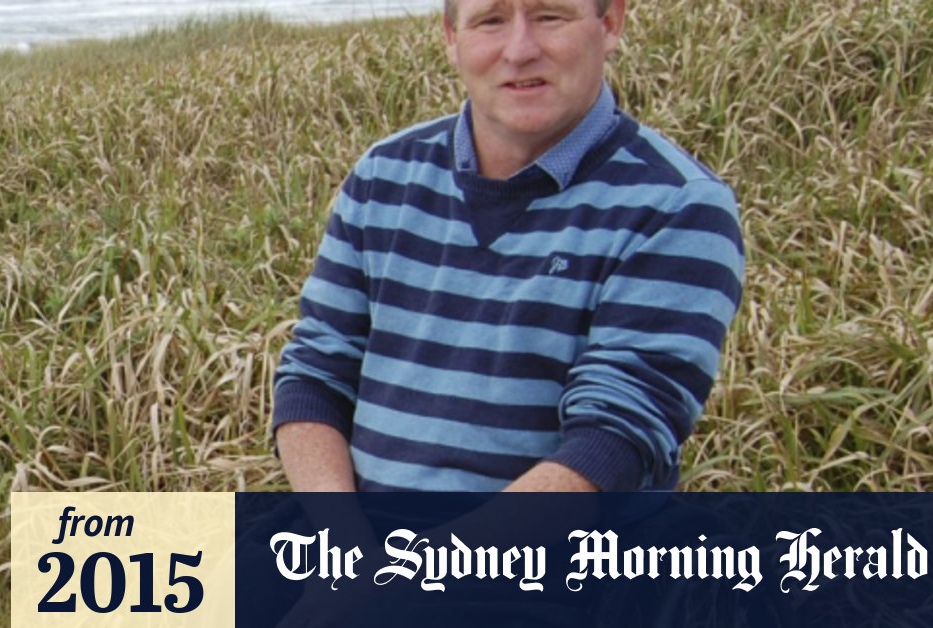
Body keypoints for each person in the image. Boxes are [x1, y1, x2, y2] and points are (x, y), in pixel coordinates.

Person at [271, 0, 744, 493]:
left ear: (610, 24)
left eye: (550, 16)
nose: (519, 50)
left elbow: (617, 438)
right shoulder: (383, 174)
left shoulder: (677, 204)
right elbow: (316, 372)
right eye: (491, 20)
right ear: (452, 38)